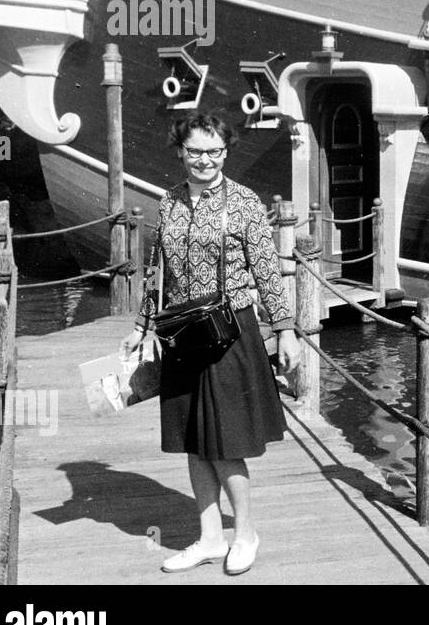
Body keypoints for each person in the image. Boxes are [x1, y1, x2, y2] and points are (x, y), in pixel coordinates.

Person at [124, 111, 302, 577]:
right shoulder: (169, 202)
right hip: (183, 332)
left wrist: (285, 329)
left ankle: (246, 534)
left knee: (226, 442)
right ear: (180, 150)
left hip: (229, 333)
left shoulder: (243, 203)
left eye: (215, 151)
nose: (205, 160)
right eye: (196, 150)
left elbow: (267, 272)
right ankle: (209, 539)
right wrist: (142, 328)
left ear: (226, 152)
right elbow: (157, 273)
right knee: (194, 441)